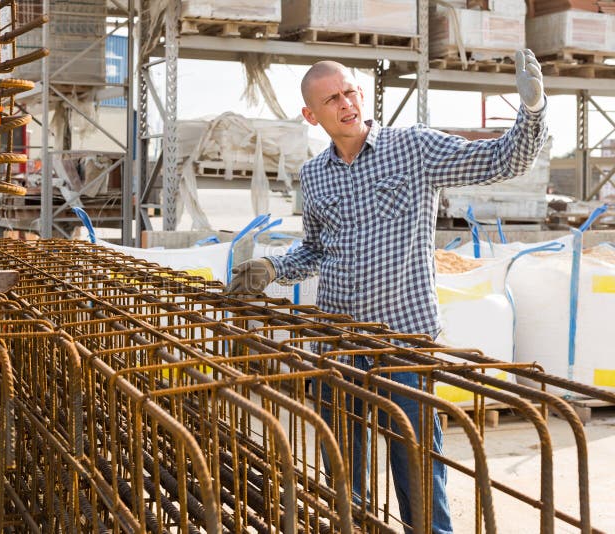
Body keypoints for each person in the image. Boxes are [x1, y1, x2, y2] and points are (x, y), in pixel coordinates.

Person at [226, 49, 547, 533]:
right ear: (311, 115)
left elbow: (501, 160)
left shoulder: (413, 148)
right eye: (332, 99)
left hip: (405, 348)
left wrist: (534, 109)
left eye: (351, 91)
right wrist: (272, 267)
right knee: (343, 485)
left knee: (419, 479)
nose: (347, 104)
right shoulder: (314, 176)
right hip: (337, 347)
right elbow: (315, 250)